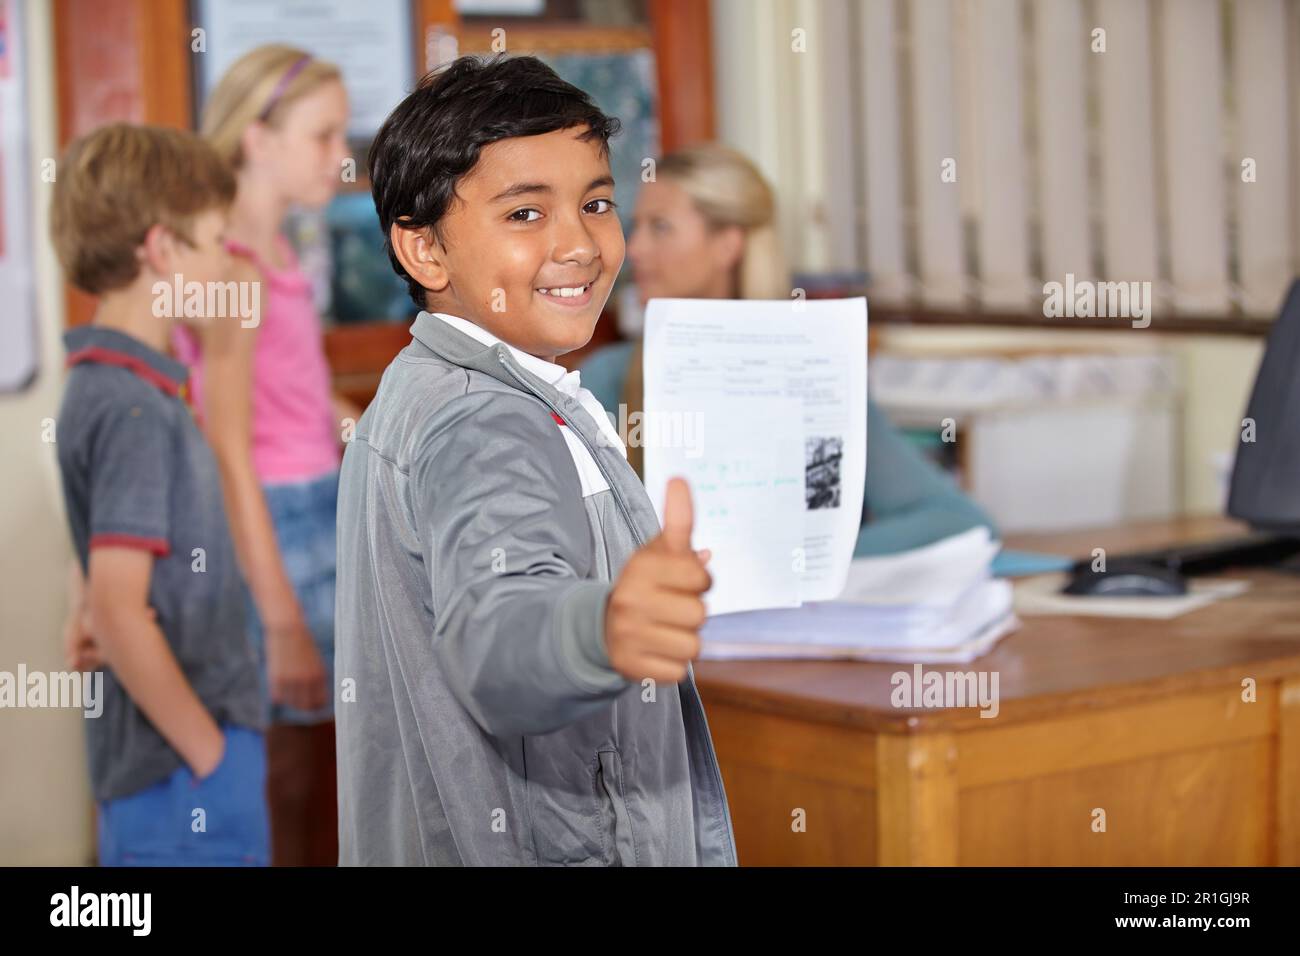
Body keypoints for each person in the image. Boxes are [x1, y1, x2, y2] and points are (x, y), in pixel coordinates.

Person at [335, 54, 737, 865]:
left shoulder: (453, 387)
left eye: (596, 203)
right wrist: (602, 628)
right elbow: (497, 631)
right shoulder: (482, 419)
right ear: (424, 252)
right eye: (524, 215)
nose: (581, 245)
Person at [581, 143, 996, 555]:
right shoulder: (608, 377)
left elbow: (958, 521)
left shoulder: (813, 372)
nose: (633, 250)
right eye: (636, 227)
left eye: (661, 227)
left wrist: (808, 563)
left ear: (728, 244)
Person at [51, 123, 267, 866]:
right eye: (214, 240)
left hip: (167, 763)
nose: (228, 260)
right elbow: (118, 609)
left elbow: (102, 566)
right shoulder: (133, 406)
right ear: (163, 251)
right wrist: (208, 753)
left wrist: (86, 598)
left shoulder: (112, 385)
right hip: (182, 770)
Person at [171, 45, 356, 865]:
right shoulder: (232, 272)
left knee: (321, 765)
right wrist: (280, 620)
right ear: (257, 139)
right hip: (270, 530)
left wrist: (369, 430)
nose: (342, 156)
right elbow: (228, 448)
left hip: (321, 503)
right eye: (323, 136)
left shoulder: (281, 250)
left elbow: (299, 395)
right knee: (286, 771)